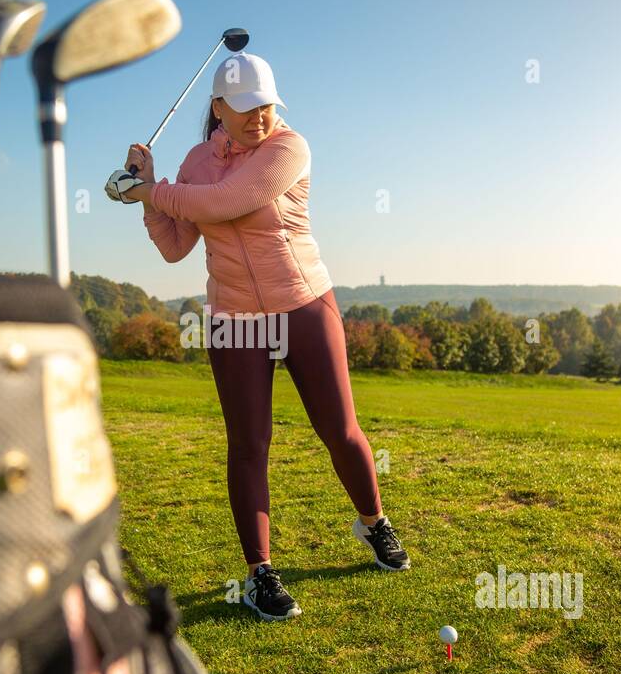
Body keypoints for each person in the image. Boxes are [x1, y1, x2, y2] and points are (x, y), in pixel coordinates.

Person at [119, 51, 411, 621]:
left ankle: (374, 523)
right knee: (249, 445)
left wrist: (148, 192)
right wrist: (149, 191)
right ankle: (261, 573)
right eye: (247, 108)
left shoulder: (289, 147)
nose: (260, 117)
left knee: (340, 430)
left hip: (303, 301)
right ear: (218, 107)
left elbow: (227, 202)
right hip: (234, 316)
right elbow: (177, 246)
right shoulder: (195, 162)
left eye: (267, 105)